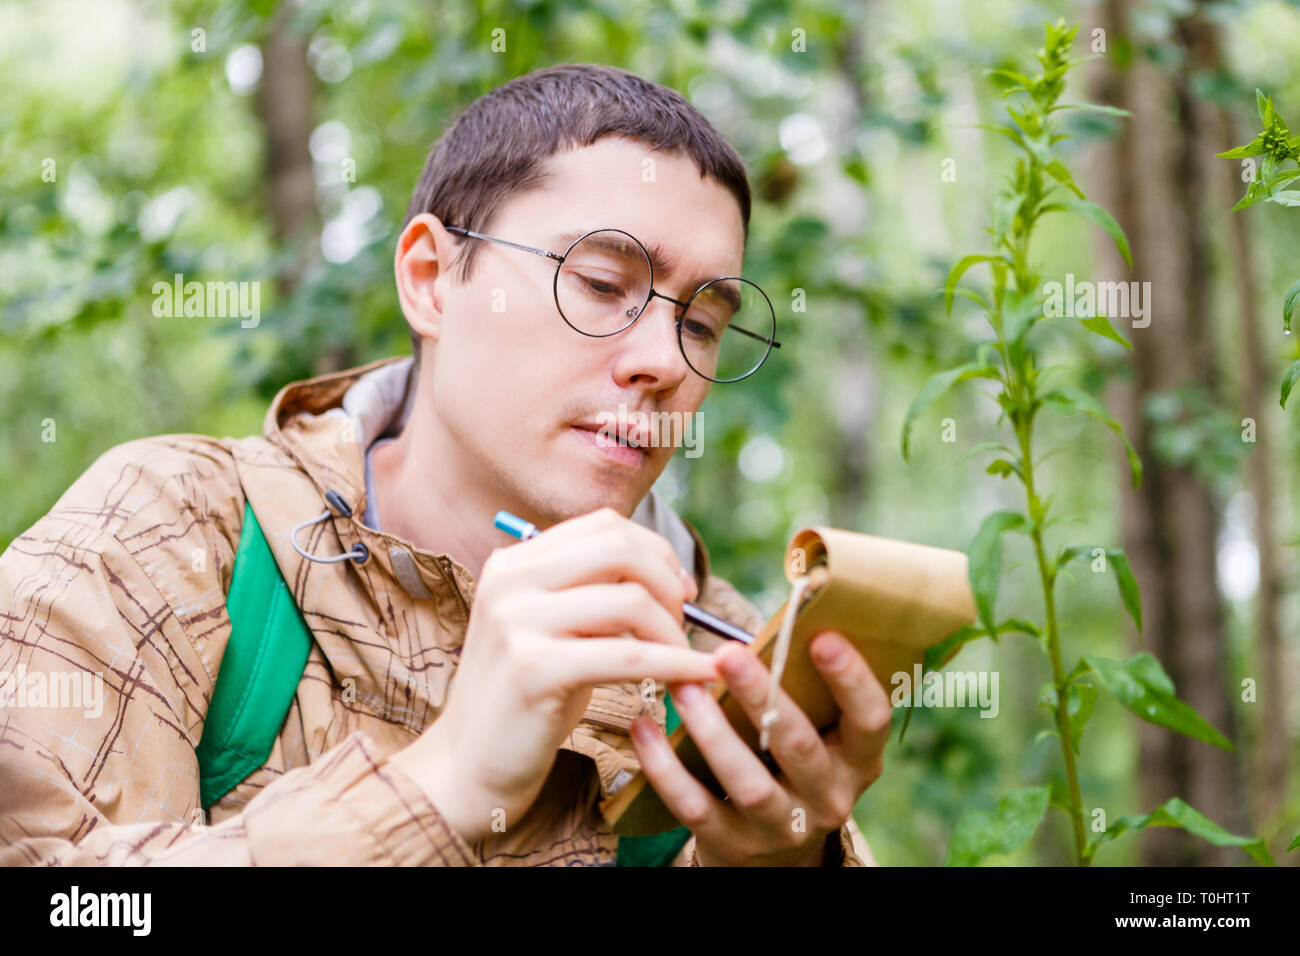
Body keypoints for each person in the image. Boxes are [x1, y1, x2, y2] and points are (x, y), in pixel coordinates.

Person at [0, 63, 886, 866]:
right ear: (431, 278)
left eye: (700, 322)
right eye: (604, 284)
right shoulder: (171, 536)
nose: (662, 358)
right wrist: (440, 786)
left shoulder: (711, 663)